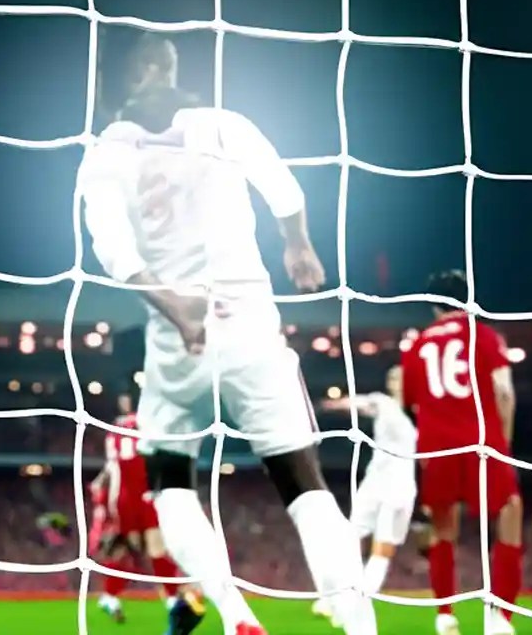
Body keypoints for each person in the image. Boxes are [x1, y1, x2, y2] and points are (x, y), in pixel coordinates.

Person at [78, 32, 375, 635]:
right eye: (155, 62)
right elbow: (282, 185)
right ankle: (355, 626)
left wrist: (174, 307)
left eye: (166, 61)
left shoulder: (104, 154)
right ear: (142, 73)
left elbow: (112, 251)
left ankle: (237, 614)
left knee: (169, 481)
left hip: (177, 347)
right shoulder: (221, 125)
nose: (164, 70)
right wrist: (298, 245)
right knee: (302, 482)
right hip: (249, 332)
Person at [399, 270, 522, 635]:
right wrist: (506, 443)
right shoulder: (483, 335)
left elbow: (410, 403)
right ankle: (499, 617)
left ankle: (445, 614)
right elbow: (504, 393)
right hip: (482, 441)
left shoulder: (418, 345)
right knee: (510, 512)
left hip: (437, 445)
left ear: (433, 305)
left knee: (442, 528)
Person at [91, 394, 205, 634]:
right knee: (155, 547)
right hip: (143, 491)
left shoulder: (112, 429)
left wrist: (102, 496)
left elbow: (111, 466)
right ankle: (172, 599)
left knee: (133, 551)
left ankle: (111, 596)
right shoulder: (149, 422)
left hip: (121, 496)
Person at [314, 365, 416, 625]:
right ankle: (331, 597)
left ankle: (359, 603)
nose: (398, 382)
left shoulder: (422, 412)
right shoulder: (384, 404)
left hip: (401, 486)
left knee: (383, 546)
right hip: (375, 481)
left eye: (403, 377)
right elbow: (360, 402)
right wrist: (329, 404)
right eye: (393, 377)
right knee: (350, 537)